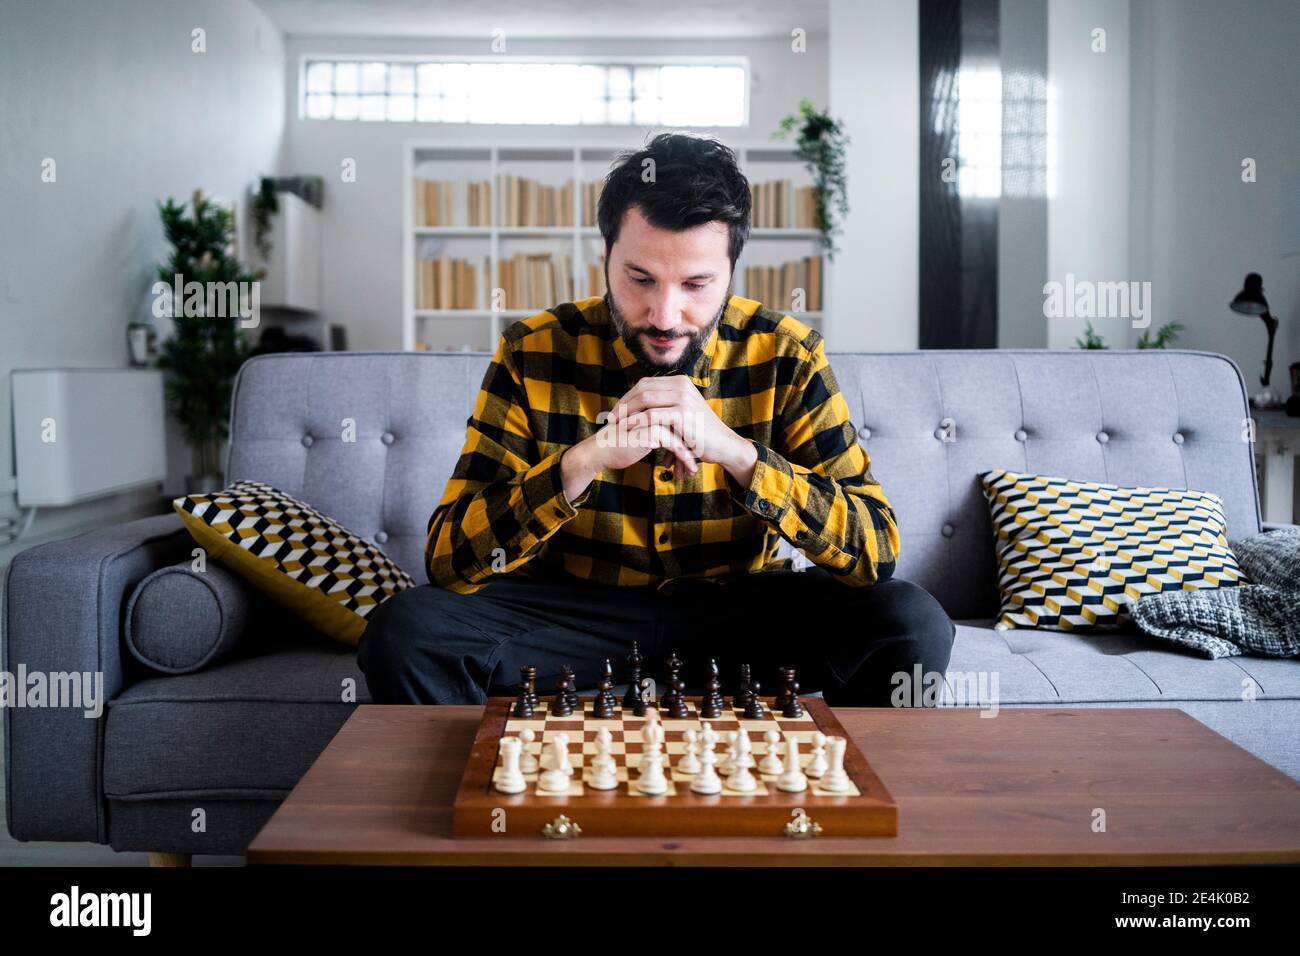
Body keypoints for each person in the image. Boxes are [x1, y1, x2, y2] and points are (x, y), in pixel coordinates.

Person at [358, 132, 954, 707]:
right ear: (605, 256)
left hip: (740, 616)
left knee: (911, 623)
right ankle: (478, 803)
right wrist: (581, 463)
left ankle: (847, 797)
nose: (665, 315)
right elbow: (449, 561)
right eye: (639, 279)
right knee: (406, 631)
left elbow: (875, 552)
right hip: (575, 615)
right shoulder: (532, 350)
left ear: (731, 272)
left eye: (696, 284)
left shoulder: (786, 354)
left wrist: (741, 456)